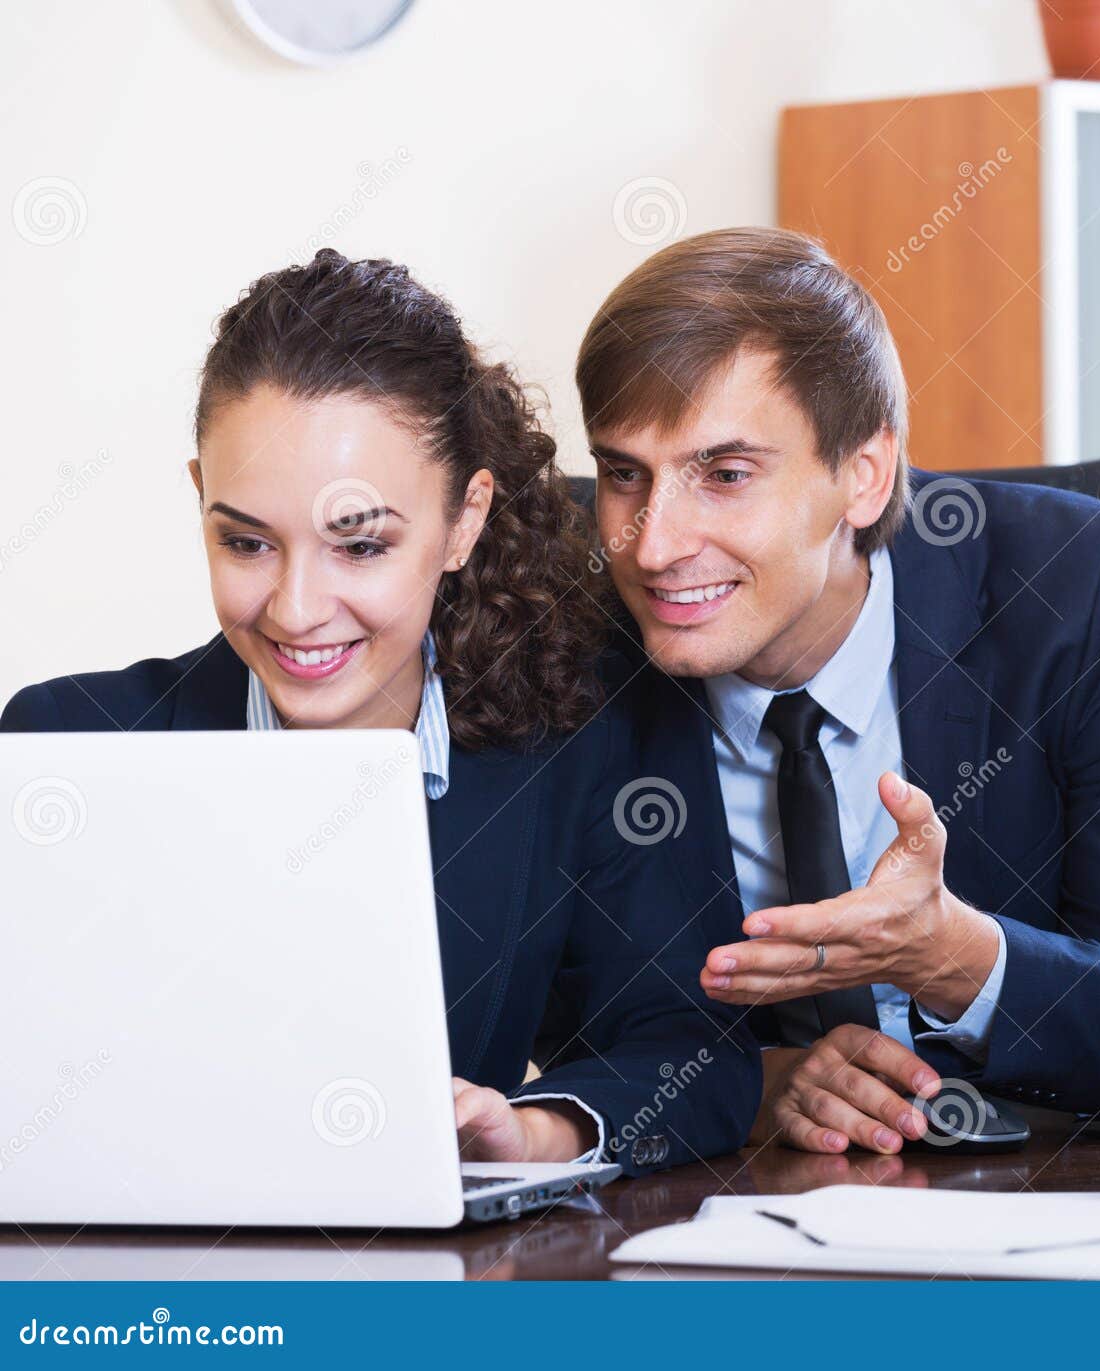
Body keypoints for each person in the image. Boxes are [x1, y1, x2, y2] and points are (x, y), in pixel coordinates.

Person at [0, 249, 759, 1175]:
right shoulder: (64, 747)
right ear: (199, 494)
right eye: (246, 541)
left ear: (463, 521)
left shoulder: (588, 733)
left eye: (359, 546)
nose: (296, 608)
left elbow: (697, 1054)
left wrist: (532, 1133)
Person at [576, 227, 1100, 1155]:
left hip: (1041, 1202)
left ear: (863, 475)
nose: (652, 545)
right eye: (622, 475)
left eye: (724, 476)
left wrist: (953, 957)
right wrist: (756, 1086)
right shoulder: (567, 632)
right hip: (723, 1218)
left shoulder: (1087, 592)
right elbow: (546, 1017)